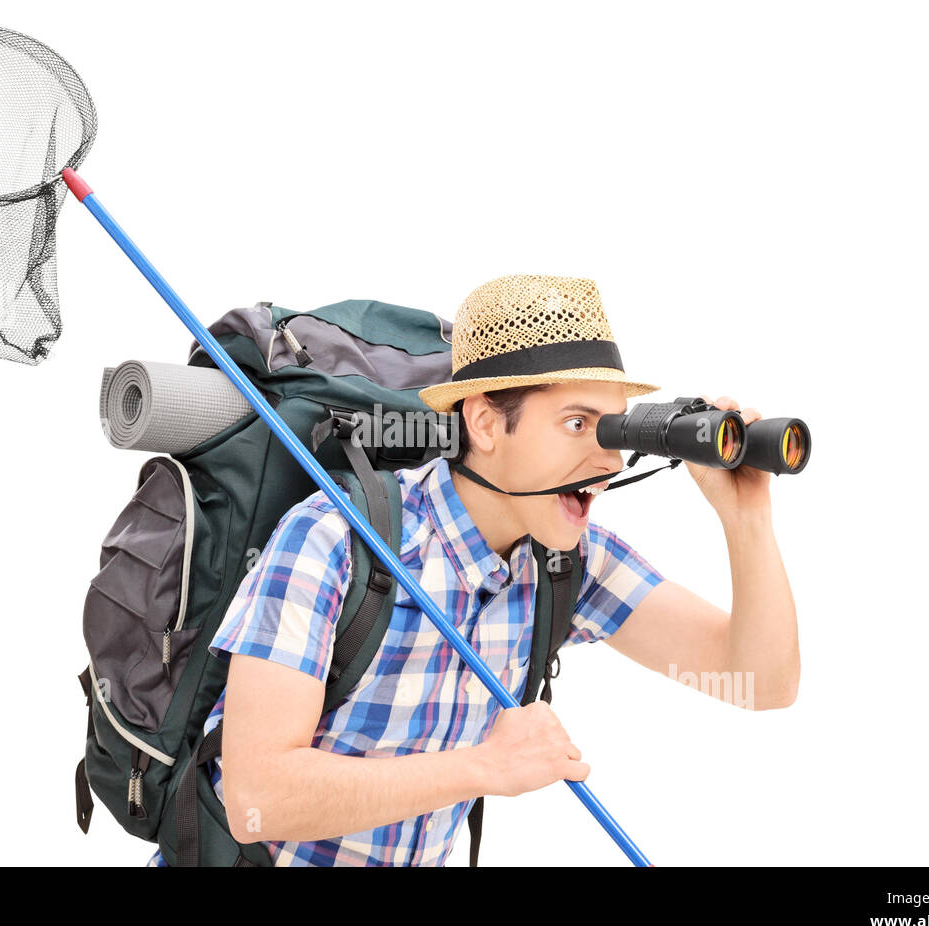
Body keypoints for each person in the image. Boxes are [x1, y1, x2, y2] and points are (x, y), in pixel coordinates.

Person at [149, 274, 798, 866]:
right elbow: (257, 797)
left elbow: (759, 682)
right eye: (577, 424)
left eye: (614, 432)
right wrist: (483, 767)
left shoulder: (569, 560)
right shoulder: (332, 540)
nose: (608, 462)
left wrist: (746, 519)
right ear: (485, 422)